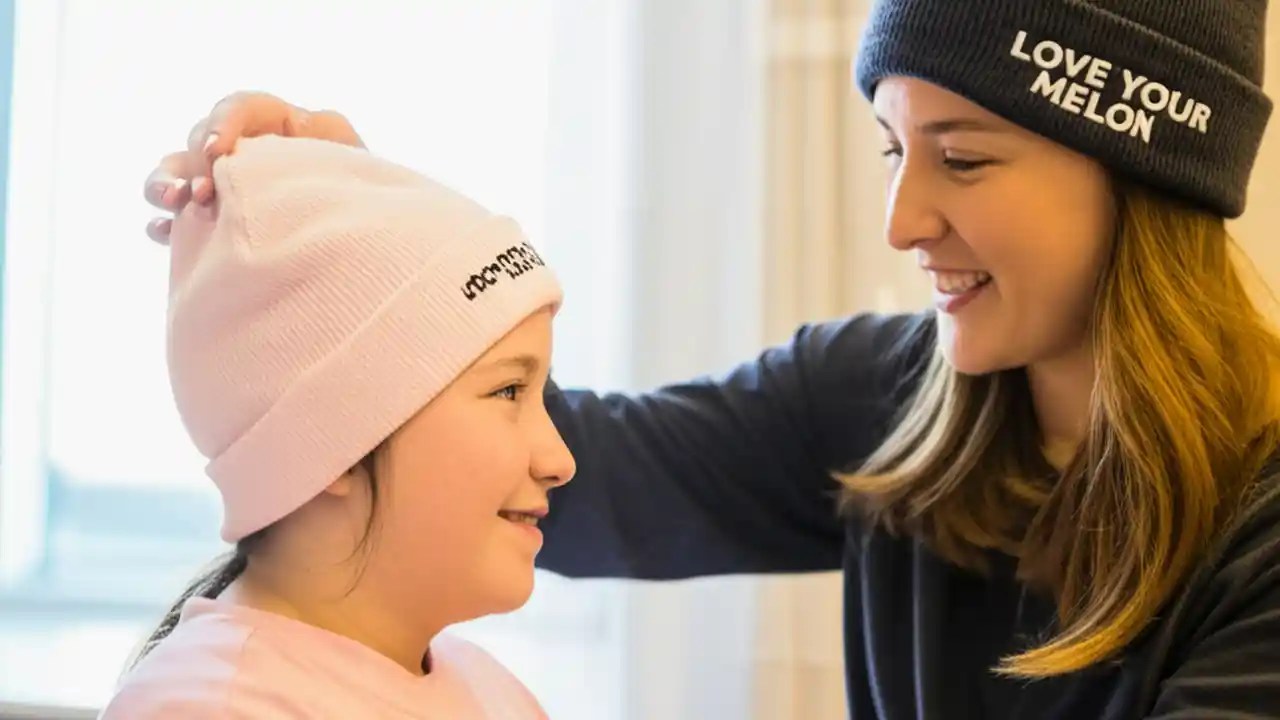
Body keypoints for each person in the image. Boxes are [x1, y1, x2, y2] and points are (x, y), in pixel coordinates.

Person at [141, 1, 1280, 717]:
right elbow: (541, 474)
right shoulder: (882, 403)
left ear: (1146, 178)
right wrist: (345, 251)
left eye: (963, 160)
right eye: (891, 148)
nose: (900, 220)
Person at [108, 135, 573, 718]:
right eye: (509, 390)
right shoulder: (214, 707)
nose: (560, 460)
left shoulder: (494, 692)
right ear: (332, 441)